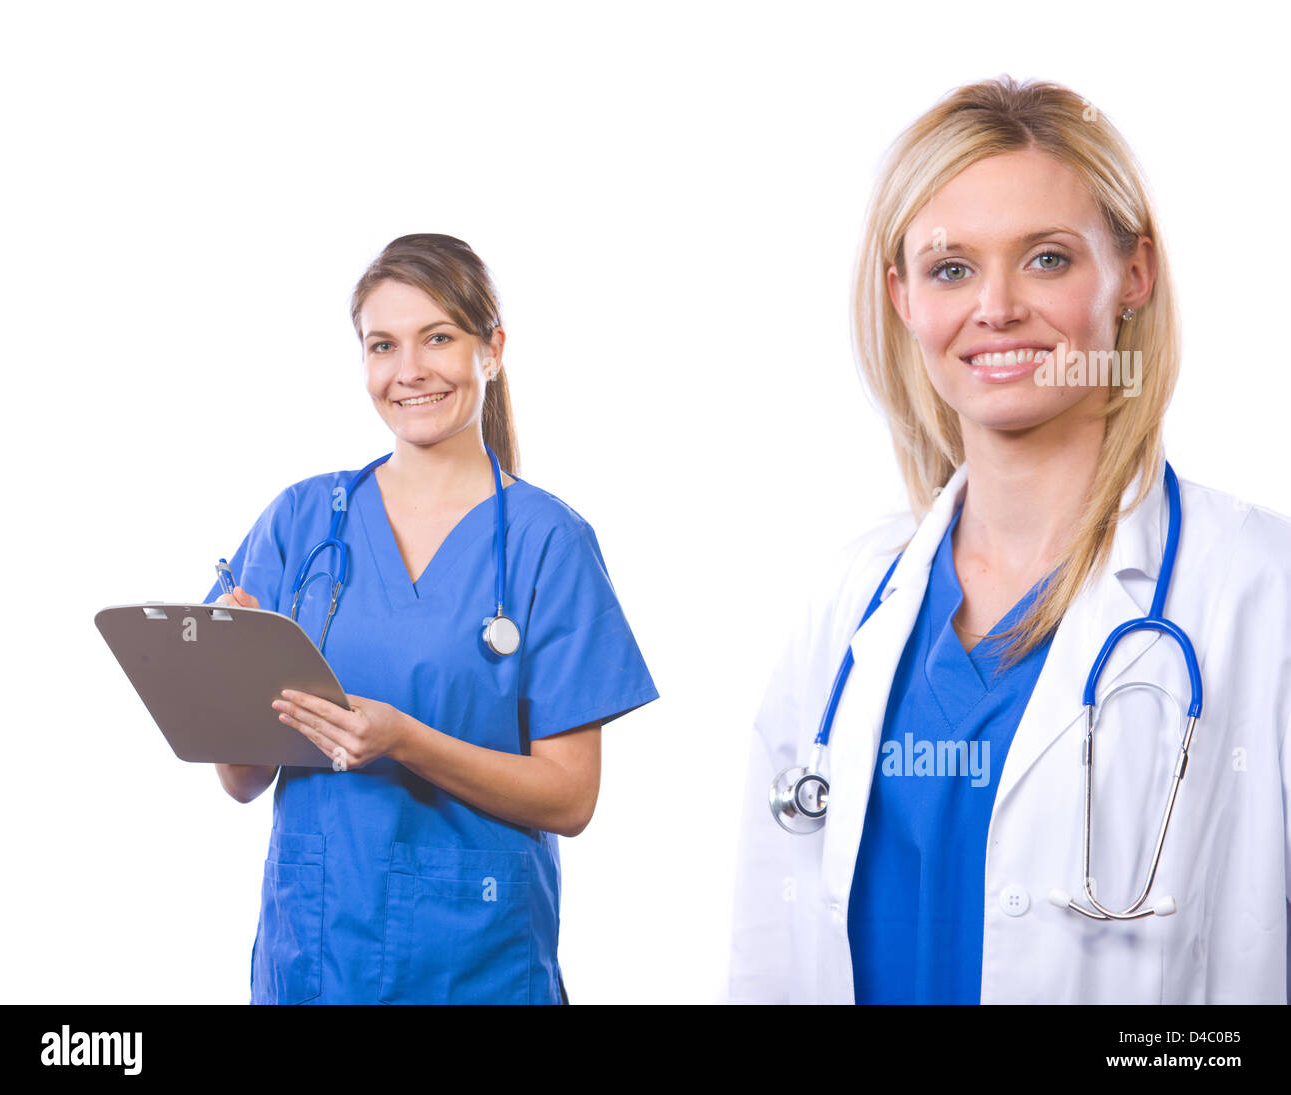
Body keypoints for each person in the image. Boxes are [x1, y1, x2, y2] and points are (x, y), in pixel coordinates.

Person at [729, 76, 1291, 1004]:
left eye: (1046, 259)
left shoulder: (1259, 592)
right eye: (952, 268)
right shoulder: (850, 599)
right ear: (903, 296)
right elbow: (771, 948)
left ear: (1134, 274)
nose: (996, 308)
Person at [206, 233, 658, 1004]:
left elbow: (571, 798)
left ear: (493, 348)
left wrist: (406, 741)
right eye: (383, 345)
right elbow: (241, 780)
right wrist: (225, 678)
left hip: (476, 964)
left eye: (437, 338)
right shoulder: (303, 521)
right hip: (314, 959)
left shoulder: (548, 542)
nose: (408, 370)